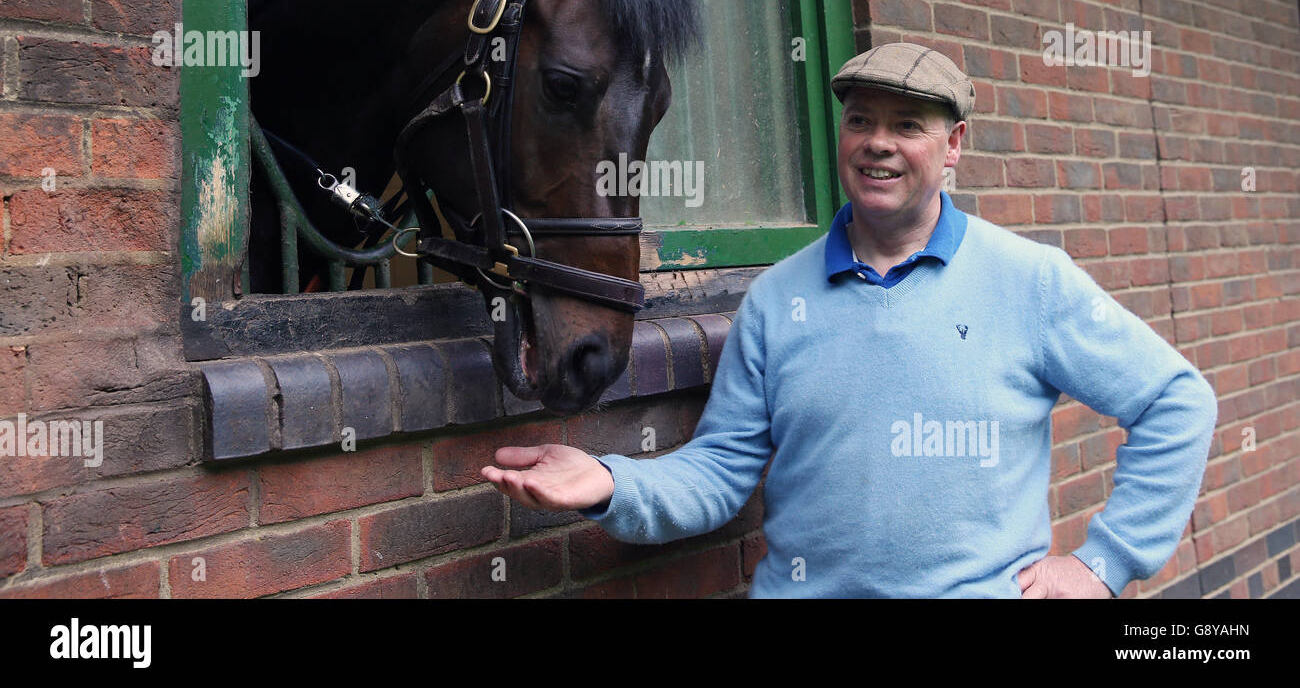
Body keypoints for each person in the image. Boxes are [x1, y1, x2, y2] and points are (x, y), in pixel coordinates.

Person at [481, 42, 1219, 598]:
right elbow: (719, 471)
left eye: (908, 125)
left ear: (953, 145)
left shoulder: (1029, 281)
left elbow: (1177, 401)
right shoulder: (776, 299)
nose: (877, 141)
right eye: (860, 119)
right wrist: (612, 483)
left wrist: (1102, 564)